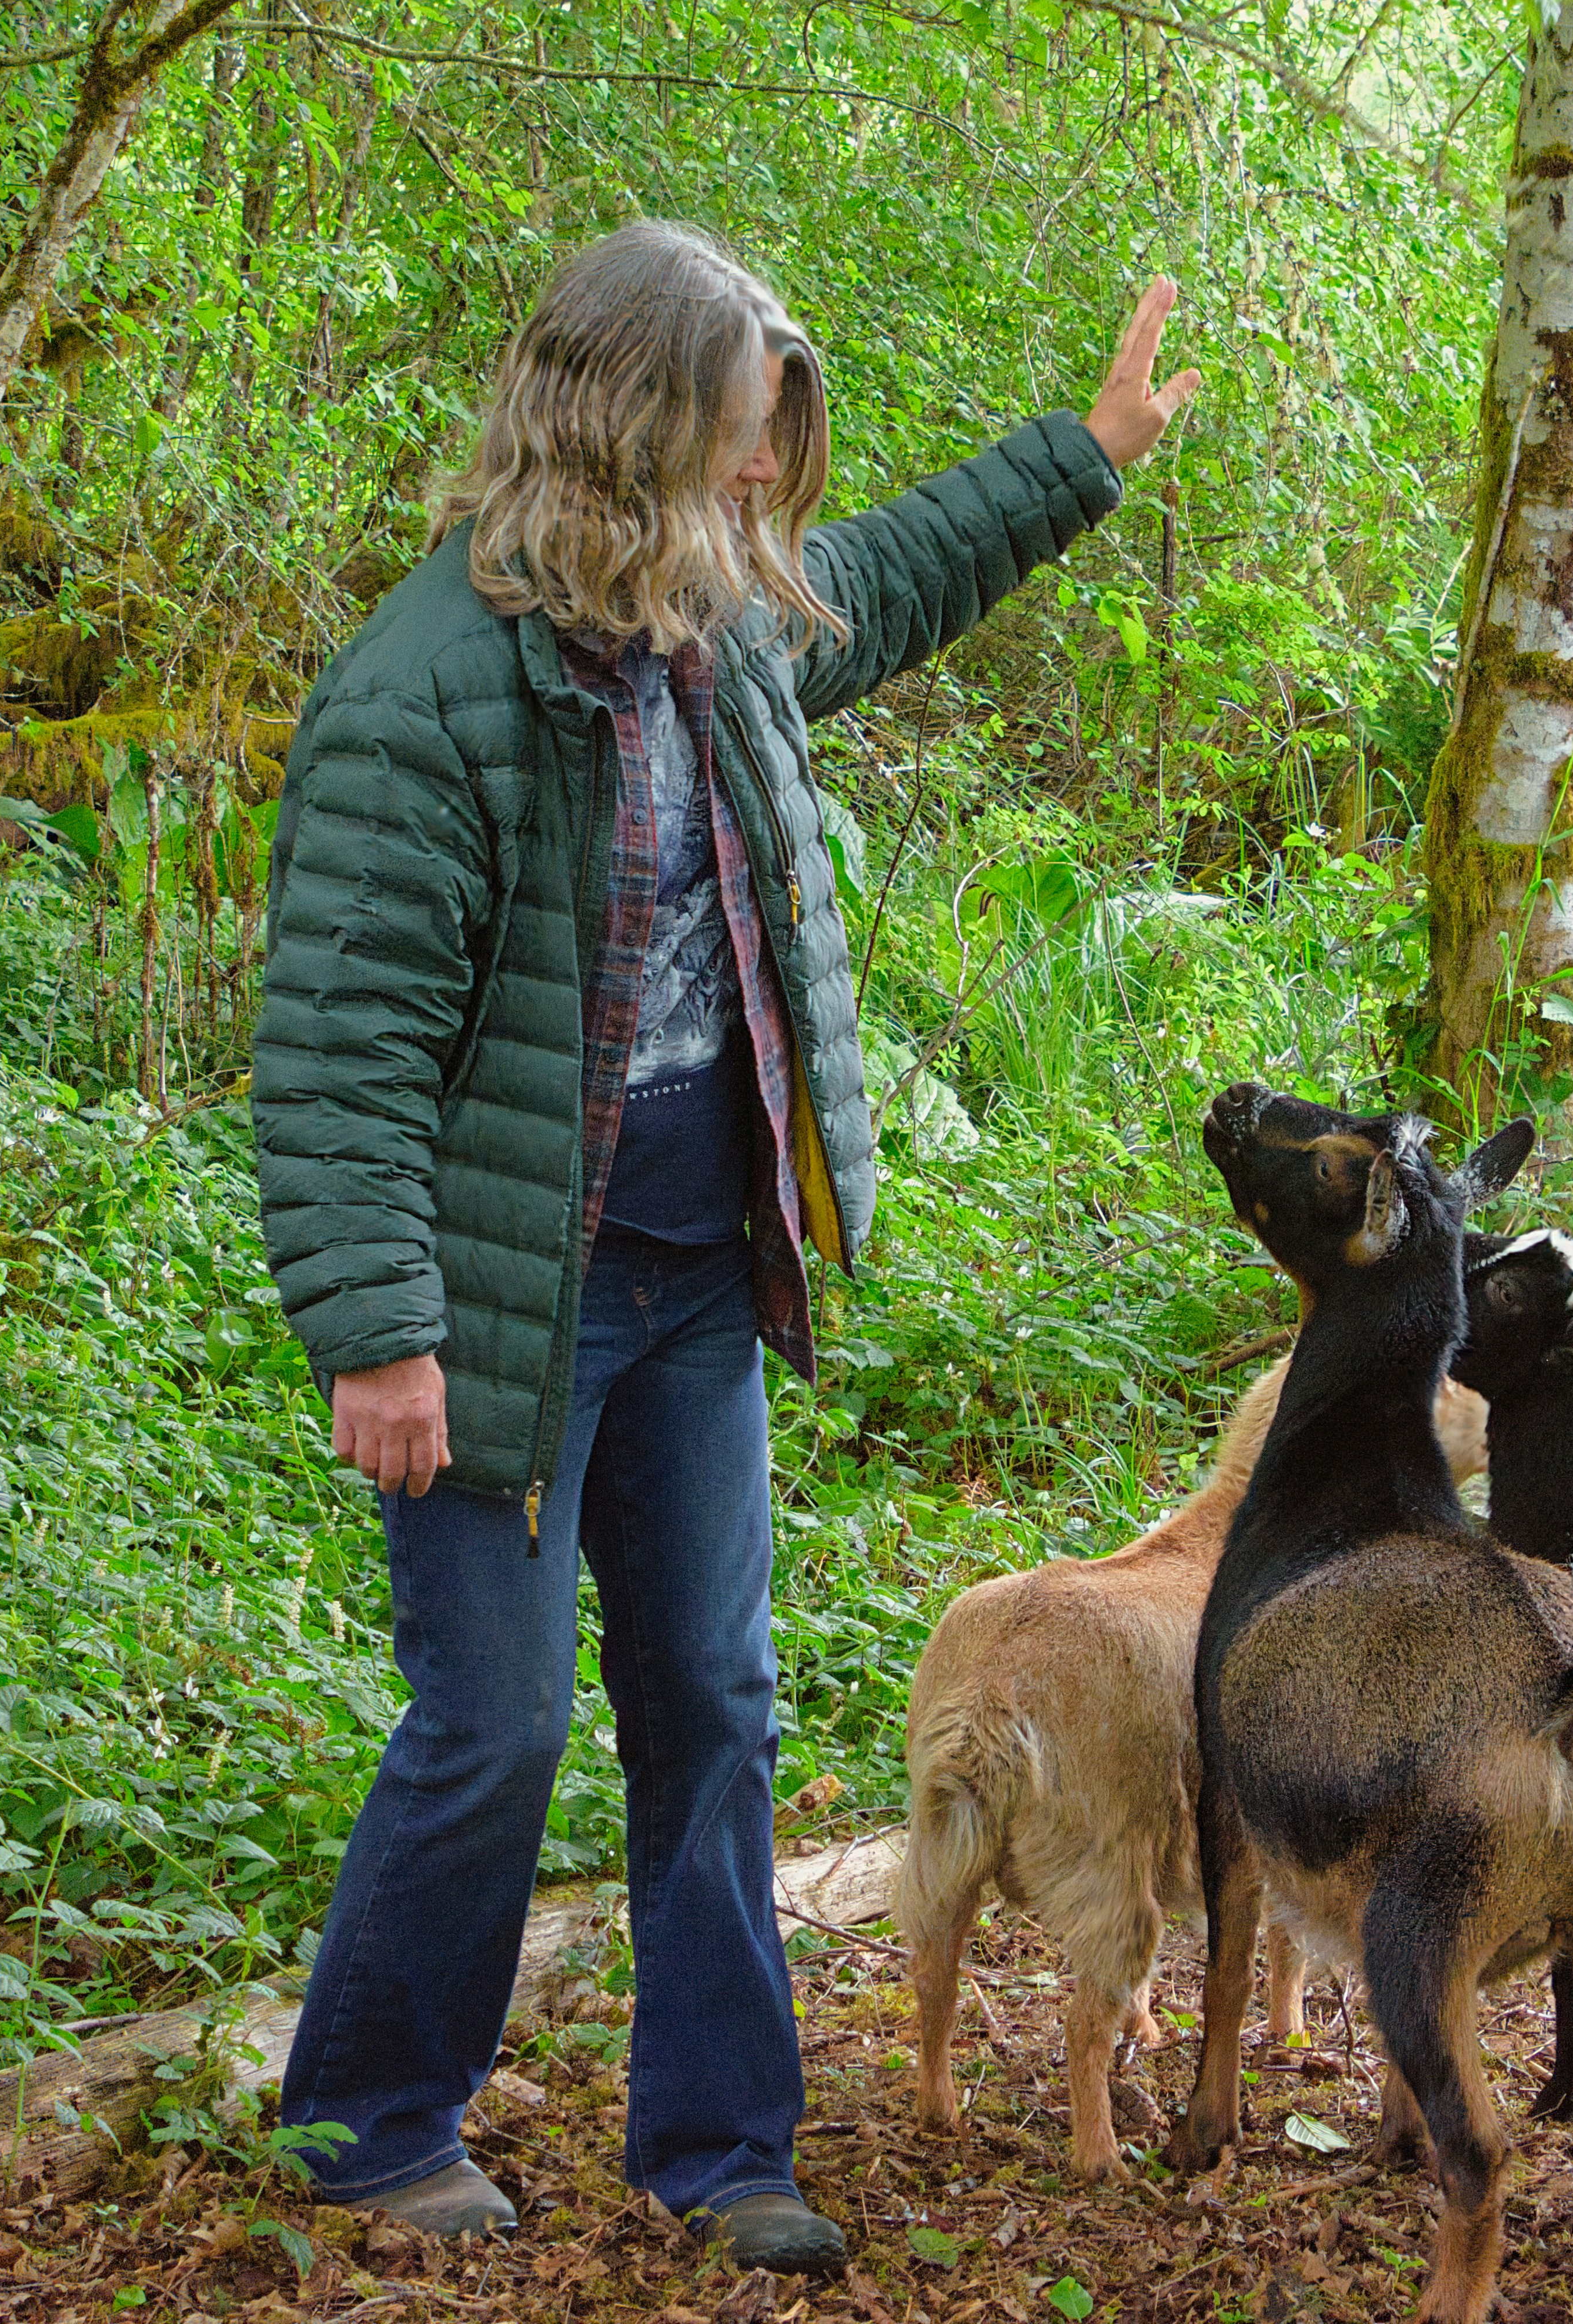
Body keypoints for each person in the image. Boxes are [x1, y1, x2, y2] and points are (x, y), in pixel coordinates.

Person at [249, 221, 1196, 2273]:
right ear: (624, 434)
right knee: (491, 1726)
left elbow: (899, 575)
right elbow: (341, 1046)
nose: (770, 481)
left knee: (715, 1700)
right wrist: (380, 1329)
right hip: (509, 1308)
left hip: (695, 1286)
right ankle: (370, 2125)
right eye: (738, 441)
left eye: (777, 447)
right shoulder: (428, 695)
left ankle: (717, 2142)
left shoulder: (717, 621)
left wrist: (1086, 453)